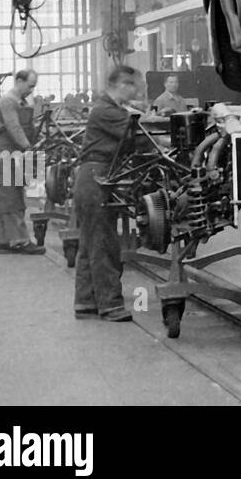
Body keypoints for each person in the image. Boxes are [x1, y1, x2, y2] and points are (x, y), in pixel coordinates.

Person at [73, 65, 140, 321]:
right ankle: (110, 305)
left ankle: (86, 302)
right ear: (121, 84)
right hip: (96, 178)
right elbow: (138, 135)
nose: (135, 89)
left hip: (93, 178)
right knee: (104, 243)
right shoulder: (106, 111)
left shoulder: (108, 108)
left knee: (90, 242)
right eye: (132, 84)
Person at [0, 69, 44, 255]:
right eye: (30, 86)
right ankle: (20, 241)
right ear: (19, 81)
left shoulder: (19, 102)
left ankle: (2, 242)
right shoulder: (8, 101)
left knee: (7, 197)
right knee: (10, 198)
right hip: (3, 153)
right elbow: (13, 127)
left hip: (12, 152)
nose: (31, 91)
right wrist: (28, 147)